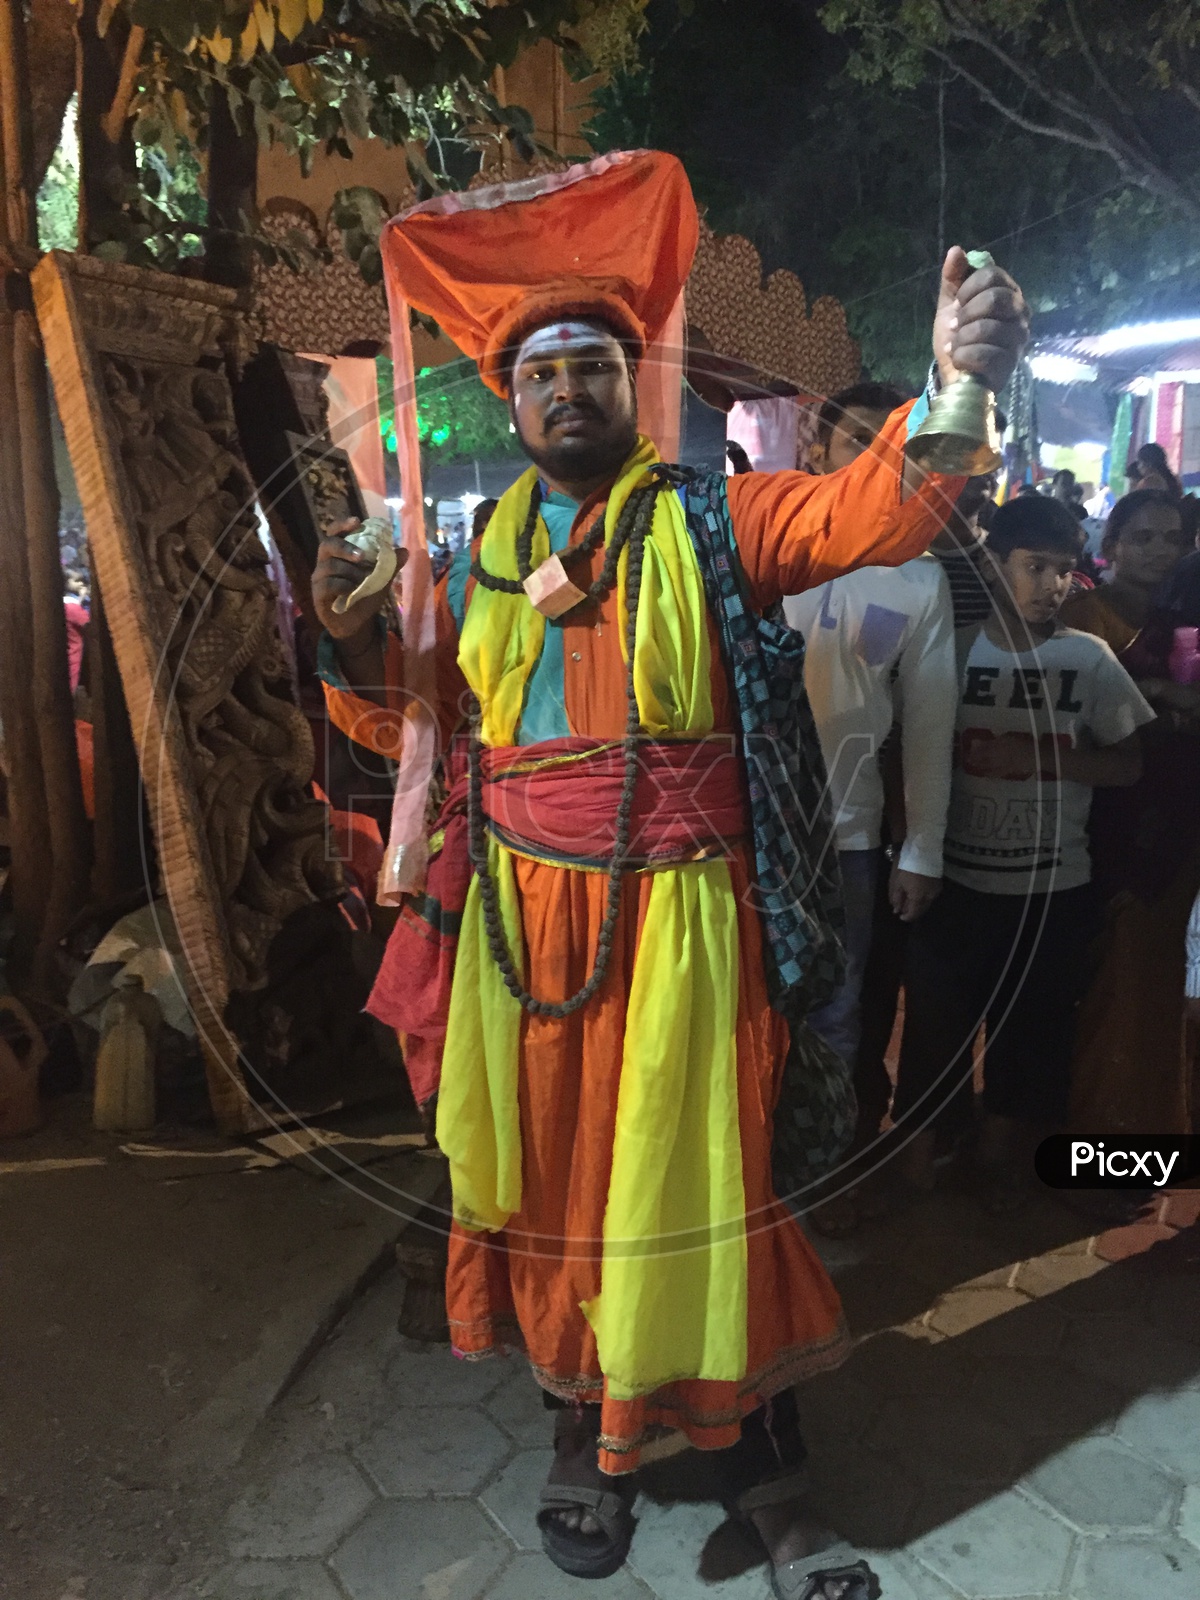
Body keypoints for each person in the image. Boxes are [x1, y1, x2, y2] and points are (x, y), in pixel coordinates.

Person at [310, 151, 1029, 1589]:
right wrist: (347, 637)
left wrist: (955, 388)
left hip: (693, 938)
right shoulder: (482, 561)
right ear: (511, 408)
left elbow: (870, 515)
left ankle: (770, 1480)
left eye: (590, 366)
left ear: (631, 390)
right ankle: (589, 1444)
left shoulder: (718, 520)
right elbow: (423, 720)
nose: (567, 390)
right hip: (525, 939)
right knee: (559, 1199)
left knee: (713, 1195)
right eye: (539, 375)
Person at [889, 496, 1153, 1210]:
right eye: (1034, 567)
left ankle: (997, 1158)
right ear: (997, 568)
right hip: (956, 879)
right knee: (935, 1029)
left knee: (1033, 1027)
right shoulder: (951, 649)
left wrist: (1042, 761)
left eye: (1065, 571)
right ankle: (915, 1163)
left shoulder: (1087, 659)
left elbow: (1127, 762)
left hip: (1053, 886)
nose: (1052, 586)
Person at [783, 385, 956, 1106]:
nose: (879, 458)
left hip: (849, 836)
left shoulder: (919, 579)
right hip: (748, 825)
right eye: (862, 438)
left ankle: (827, 1166)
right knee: (741, 1002)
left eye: (896, 445)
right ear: (817, 450)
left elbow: (928, 719)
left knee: (837, 1007)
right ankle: (749, 1180)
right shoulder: (769, 550)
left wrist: (923, 848)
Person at [1060, 489, 1200, 1136]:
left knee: (1157, 969)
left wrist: (1173, 696)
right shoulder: (1087, 615)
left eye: (1171, 538)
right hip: (1112, 809)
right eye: (1142, 537)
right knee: (1111, 966)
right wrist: (1159, 697)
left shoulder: (1180, 614)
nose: (1160, 551)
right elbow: (1078, 710)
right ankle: (1100, 1131)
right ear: (1110, 544)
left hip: (1178, 808)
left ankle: (1147, 1125)